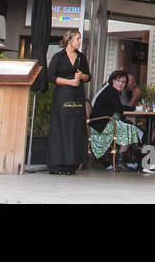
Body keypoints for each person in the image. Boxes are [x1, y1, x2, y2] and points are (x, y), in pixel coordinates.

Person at [46, 28, 89, 174]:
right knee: (60, 128)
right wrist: (69, 82)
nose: (79, 42)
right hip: (63, 95)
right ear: (69, 40)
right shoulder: (59, 57)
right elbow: (50, 77)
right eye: (77, 39)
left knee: (75, 129)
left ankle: (72, 164)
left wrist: (82, 76)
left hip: (77, 95)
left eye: (80, 39)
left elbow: (88, 76)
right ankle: (57, 164)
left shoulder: (81, 57)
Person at [90, 70, 144, 168]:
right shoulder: (111, 91)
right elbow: (119, 108)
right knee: (129, 129)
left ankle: (120, 159)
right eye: (118, 81)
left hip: (103, 122)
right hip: (101, 125)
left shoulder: (112, 91)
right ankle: (120, 160)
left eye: (124, 82)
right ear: (112, 81)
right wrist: (134, 108)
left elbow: (118, 108)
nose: (121, 84)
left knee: (129, 127)